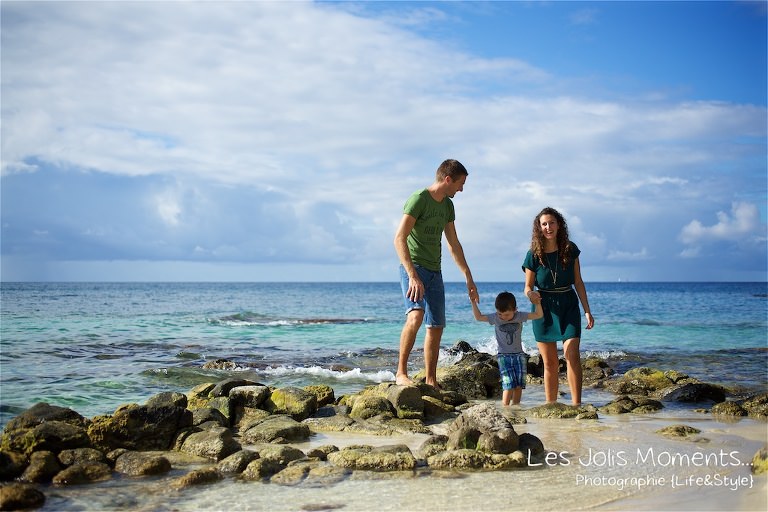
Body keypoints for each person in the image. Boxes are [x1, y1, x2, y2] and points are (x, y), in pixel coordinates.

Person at [394, 159, 479, 388]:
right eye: (460, 183)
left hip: (435, 271)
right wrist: (412, 275)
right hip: (414, 268)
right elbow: (399, 238)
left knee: (436, 325)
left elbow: (453, 244)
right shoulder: (419, 199)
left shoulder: (447, 207)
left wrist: (468, 276)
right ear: (448, 179)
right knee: (416, 315)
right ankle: (401, 373)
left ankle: (431, 380)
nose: (461, 189)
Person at [522, 207, 594, 405]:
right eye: (544, 224)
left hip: (568, 305)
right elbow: (527, 286)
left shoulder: (570, 249)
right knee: (550, 363)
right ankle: (551, 406)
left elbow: (578, 282)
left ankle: (577, 405)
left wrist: (587, 311)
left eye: (551, 223)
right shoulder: (533, 254)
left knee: (572, 355)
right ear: (539, 228)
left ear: (559, 224)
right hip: (543, 309)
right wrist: (530, 294)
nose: (548, 227)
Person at [471, 291, 542, 406]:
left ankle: (516, 409)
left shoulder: (520, 316)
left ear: (515, 309)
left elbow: (538, 315)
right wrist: (473, 302)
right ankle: (506, 409)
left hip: (519, 355)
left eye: (507, 315)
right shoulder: (495, 318)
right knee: (508, 385)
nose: (503, 317)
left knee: (518, 386)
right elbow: (478, 317)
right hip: (503, 356)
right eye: (500, 314)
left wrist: (537, 303)